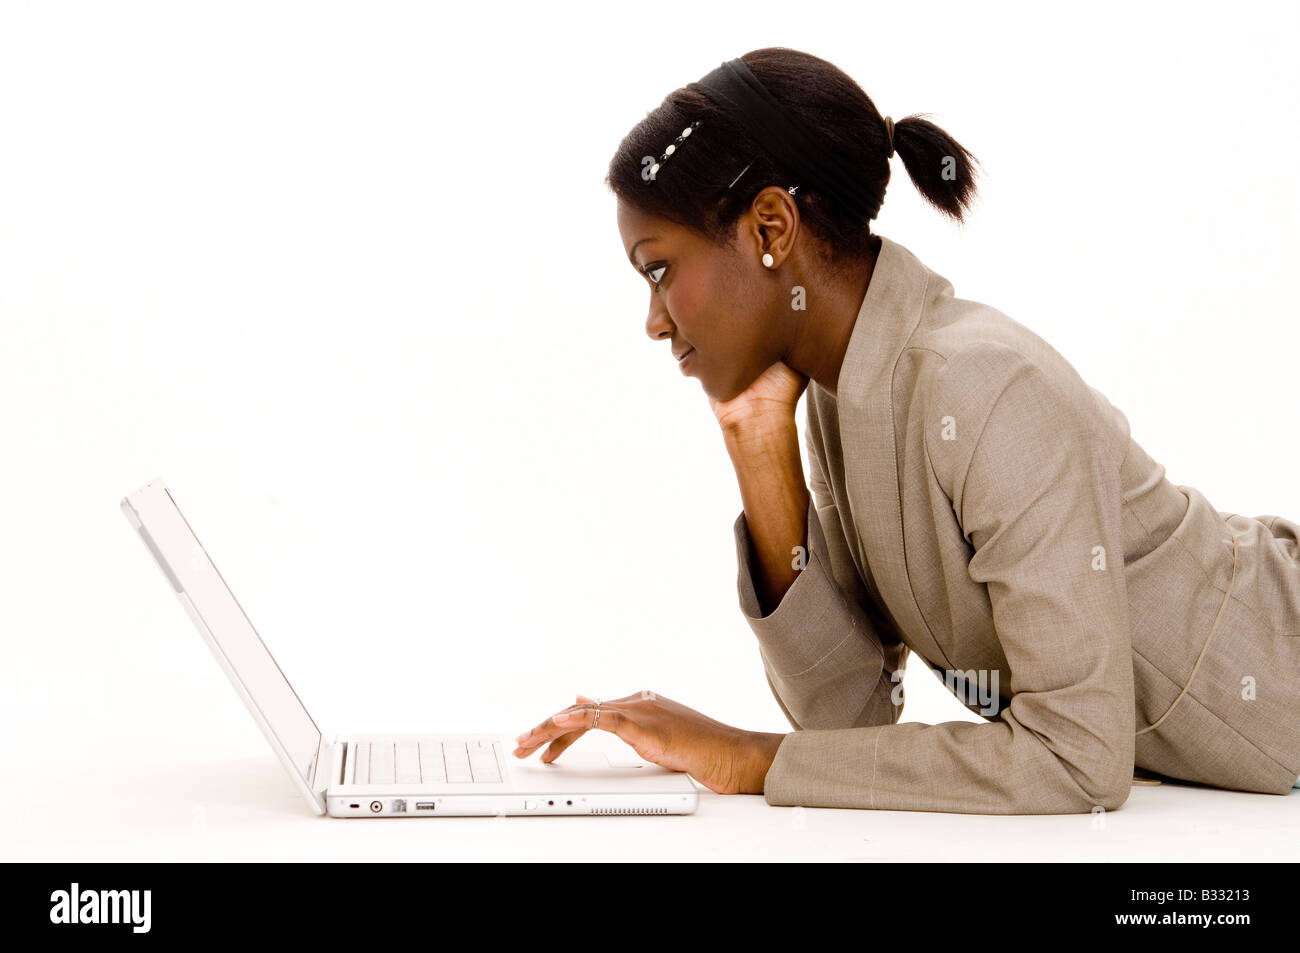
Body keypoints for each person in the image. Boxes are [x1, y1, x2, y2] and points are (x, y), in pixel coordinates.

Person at [512, 48, 1300, 814]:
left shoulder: (985, 384)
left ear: (770, 228)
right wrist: (759, 453)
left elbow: (1075, 757)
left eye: (659, 269)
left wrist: (752, 759)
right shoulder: (837, 398)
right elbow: (847, 720)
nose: (654, 321)